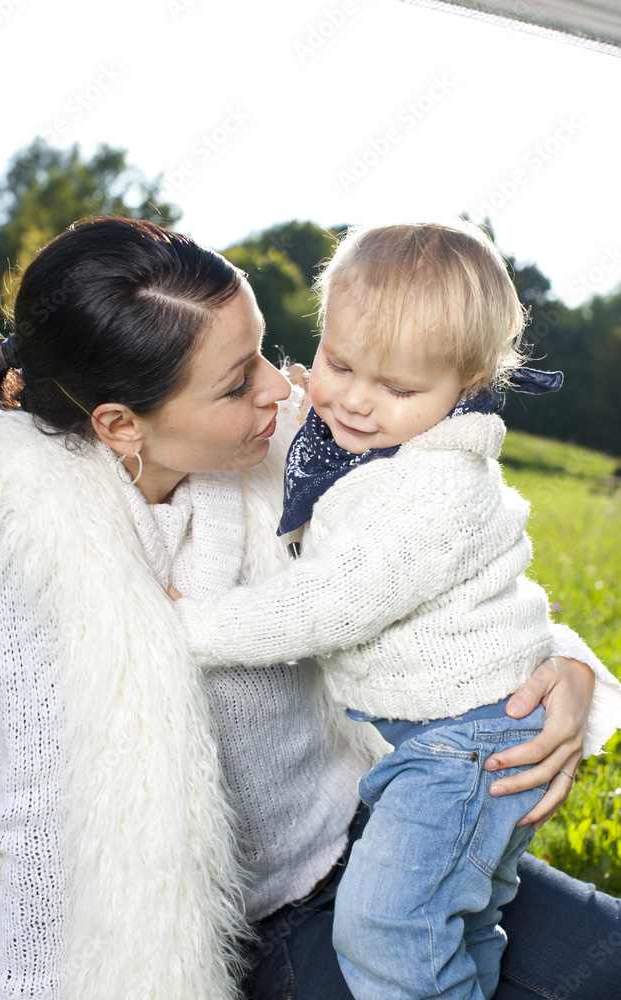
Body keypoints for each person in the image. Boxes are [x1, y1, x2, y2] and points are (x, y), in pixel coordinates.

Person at [0, 217, 617, 1000]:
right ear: (120, 425)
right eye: (237, 381)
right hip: (269, 928)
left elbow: (445, 567)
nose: (281, 385)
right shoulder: (30, 556)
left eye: (266, 350)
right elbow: (36, 831)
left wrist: (565, 668)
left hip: (391, 818)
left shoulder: (300, 440)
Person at [172, 220, 621, 999]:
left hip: (465, 746)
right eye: (339, 364)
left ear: (466, 385)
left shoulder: (429, 488)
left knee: (386, 932)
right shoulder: (352, 446)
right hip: (451, 742)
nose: (353, 401)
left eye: (400, 389)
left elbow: (323, 609)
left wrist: (182, 627)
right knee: (464, 929)